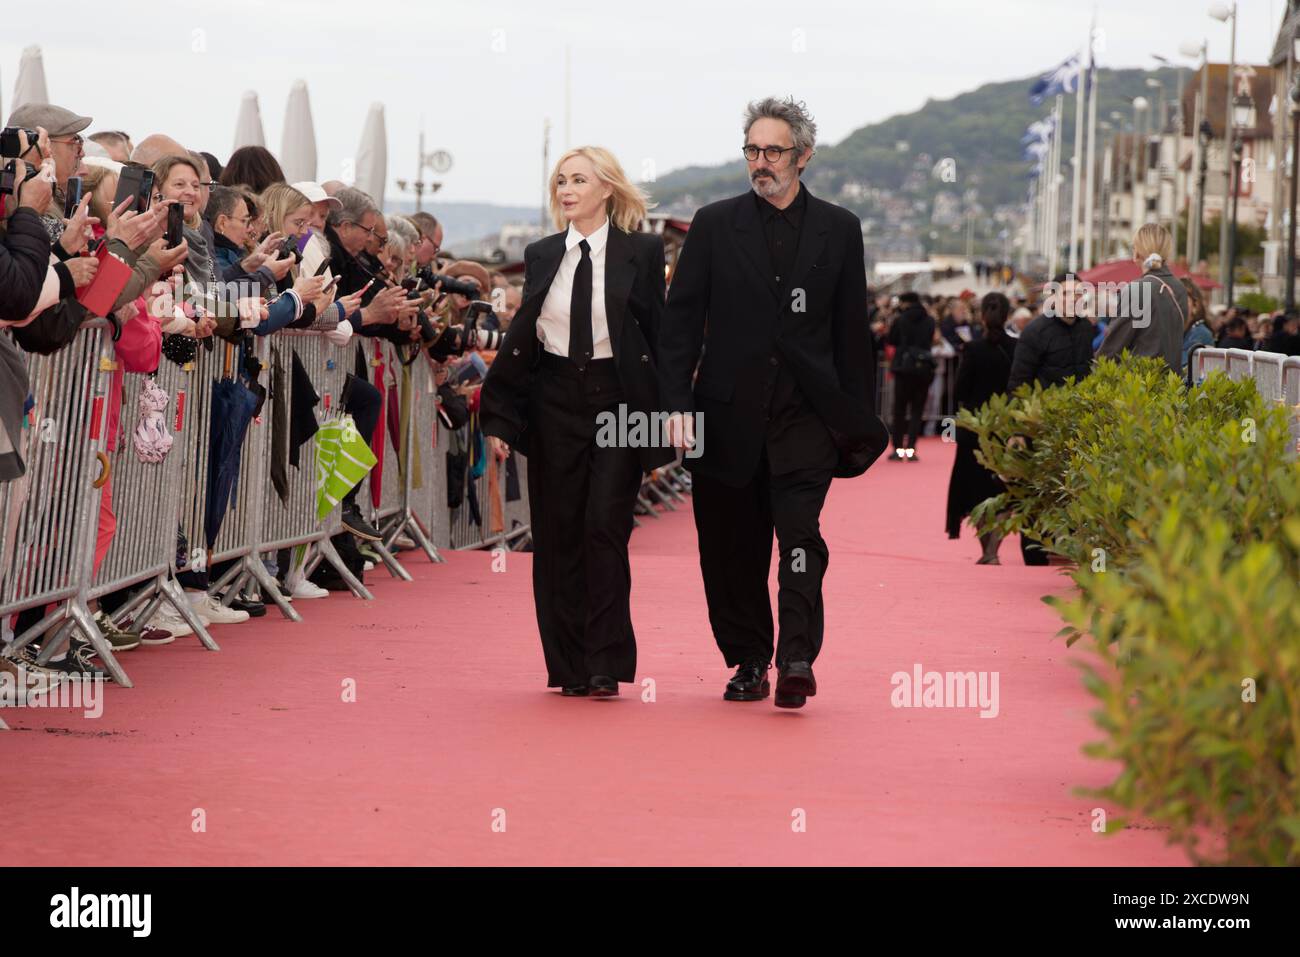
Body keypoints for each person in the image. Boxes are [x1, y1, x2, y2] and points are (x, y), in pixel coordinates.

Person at [656, 96, 889, 710]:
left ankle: (797, 657)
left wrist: (856, 420)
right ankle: (749, 656)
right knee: (731, 548)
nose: (761, 163)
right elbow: (681, 324)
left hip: (804, 416)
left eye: (773, 151)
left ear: (804, 156)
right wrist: (675, 404)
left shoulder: (840, 228)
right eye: (752, 151)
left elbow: (849, 332)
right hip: (725, 416)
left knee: (800, 537)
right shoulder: (712, 223)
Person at [480, 145, 672, 698]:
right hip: (554, 400)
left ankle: (604, 661)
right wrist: (501, 415)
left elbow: (657, 342)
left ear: (607, 189)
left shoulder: (642, 250)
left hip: (619, 401)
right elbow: (525, 339)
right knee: (559, 534)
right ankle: (567, 664)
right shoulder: (543, 255)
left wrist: (663, 424)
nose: (566, 189)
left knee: (605, 527)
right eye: (560, 180)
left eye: (579, 180)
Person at [945, 293, 1017, 563]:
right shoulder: (1017, 348)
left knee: (975, 491)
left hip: (975, 429)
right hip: (1006, 429)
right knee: (1003, 490)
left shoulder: (972, 350)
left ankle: (987, 551)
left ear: (982, 316)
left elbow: (960, 389)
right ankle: (993, 550)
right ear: (1008, 315)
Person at [1096, 224, 1185, 375]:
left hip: (1142, 386)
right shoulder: (1179, 287)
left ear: (1137, 252)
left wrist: (1094, 368)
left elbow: (1114, 344)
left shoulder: (1138, 289)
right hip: (1173, 386)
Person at [886, 291, 936, 461]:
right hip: (923, 369)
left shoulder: (900, 320)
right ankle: (912, 449)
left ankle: (898, 449)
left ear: (904, 303)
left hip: (904, 368)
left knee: (899, 410)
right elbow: (930, 340)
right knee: (917, 410)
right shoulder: (930, 320)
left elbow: (891, 340)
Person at [1180, 277, 1214, 373]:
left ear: (1195, 306)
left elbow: (1181, 371)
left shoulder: (1200, 333)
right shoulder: (1175, 332)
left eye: (1182, 299)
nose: (1176, 304)